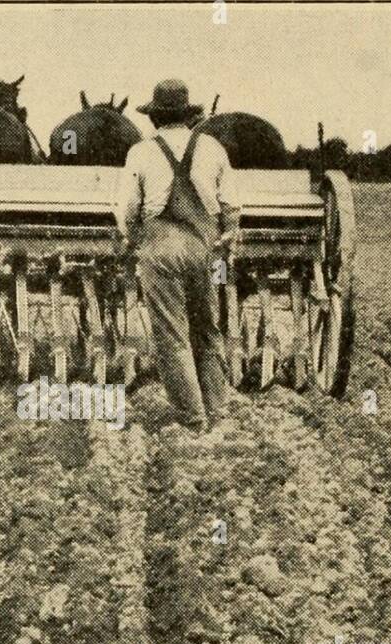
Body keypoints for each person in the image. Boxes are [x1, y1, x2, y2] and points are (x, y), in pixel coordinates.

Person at [116, 79, 240, 434]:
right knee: (207, 330)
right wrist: (226, 236)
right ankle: (218, 413)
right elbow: (231, 206)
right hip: (206, 251)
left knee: (173, 335)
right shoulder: (212, 147)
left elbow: (128, 210)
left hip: (161, 251)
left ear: (154, 117)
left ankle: (192, 418)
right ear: (189, 116)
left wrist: (130, 239)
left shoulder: (140, 152)